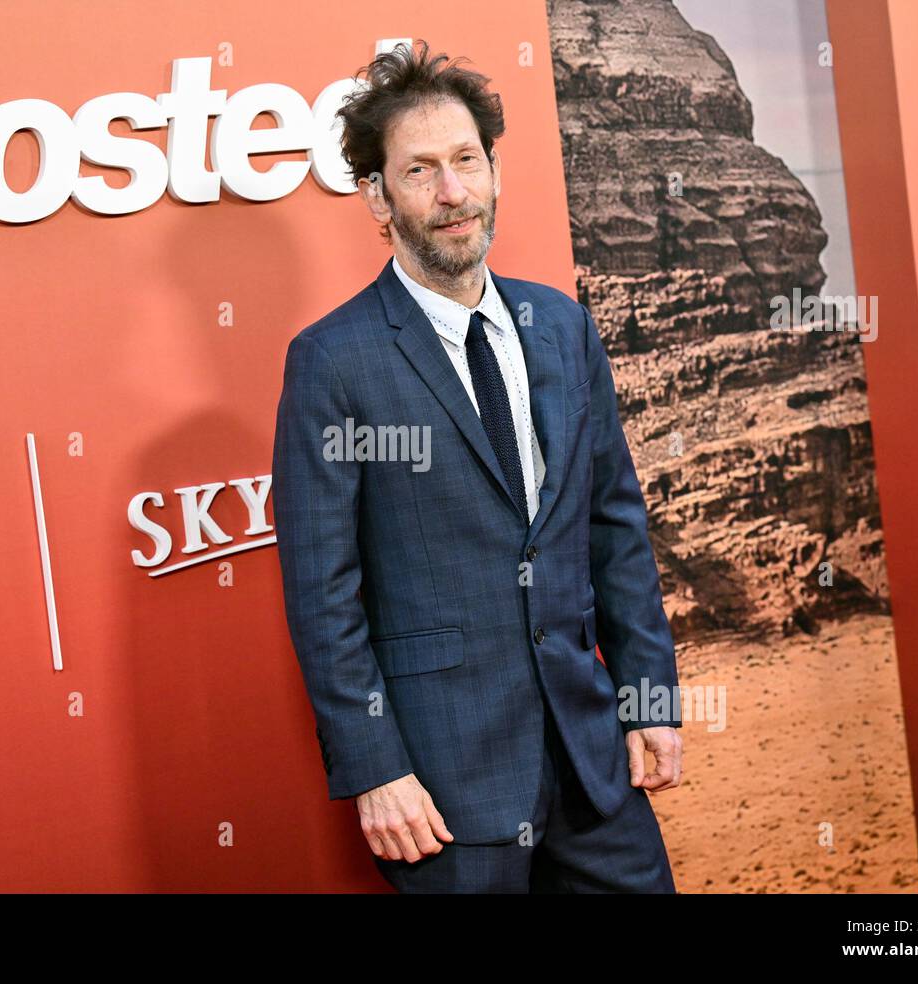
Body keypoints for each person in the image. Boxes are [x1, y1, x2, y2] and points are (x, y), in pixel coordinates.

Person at [271, 39, 683, 893]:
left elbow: (616, 529)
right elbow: (322, 592)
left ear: (494, 172)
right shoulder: (333, 363)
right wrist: (374, 767)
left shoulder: (561, 327)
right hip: (442, 793)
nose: (452, 192)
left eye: (466, 162)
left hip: (593, 761)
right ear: (376, 198)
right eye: (420, 171)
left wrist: (648, 700)